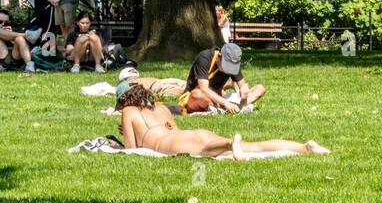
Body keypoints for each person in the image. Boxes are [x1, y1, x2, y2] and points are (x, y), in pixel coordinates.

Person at [117, 84, 328, 159]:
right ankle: (305, 147)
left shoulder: (128, 111)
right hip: (191, 134)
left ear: (125, 99)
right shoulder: (161, 108)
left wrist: (116, 140)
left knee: (207, 151)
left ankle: (229, 143)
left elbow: (131, 149)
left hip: (170, 143)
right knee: (253, 146)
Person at [180, 42, 267, 114]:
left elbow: (242, 84)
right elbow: (204, 89)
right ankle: (224, 108)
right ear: (219, 56)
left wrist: (244, 91)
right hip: (195, 98)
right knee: (198, 93)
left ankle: (238, 109)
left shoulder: (233, 63)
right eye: (227, 66)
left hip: (220, 97)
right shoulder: (204, 58)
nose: (228, 70)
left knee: (260, 88)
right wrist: (225, 103)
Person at [116, 66, 187, 100]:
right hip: (166, 81)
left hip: (157, 86)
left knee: (179, 92)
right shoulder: (144, 79)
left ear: (124, 80)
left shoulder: (132, 84)